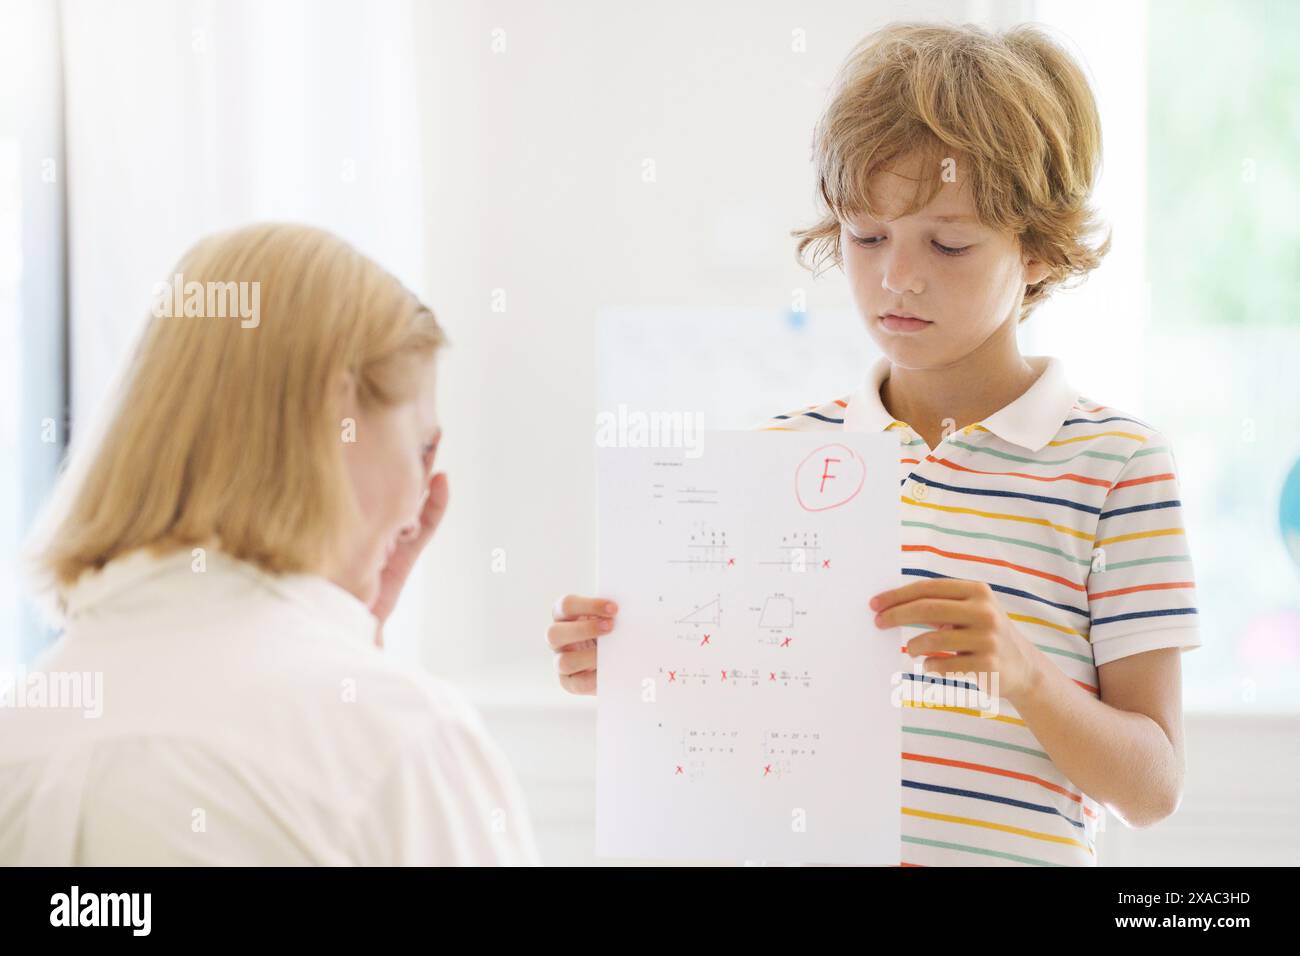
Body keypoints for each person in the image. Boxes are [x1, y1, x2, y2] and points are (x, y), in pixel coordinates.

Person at [546, 22, 1200, 866]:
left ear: (1037, 250)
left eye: (950, 242)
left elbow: (1153, 788)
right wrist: (637, 670)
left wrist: (1028, 677)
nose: (897, 277)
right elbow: (741, 735)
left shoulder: (1116, 467)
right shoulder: (779, 460)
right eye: (866, 236)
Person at [0, 222, 538, 865]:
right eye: (422, 445)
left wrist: (343, 636)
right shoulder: (396, 745)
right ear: (336, 421)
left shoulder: (25, 725)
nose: (424, 494)